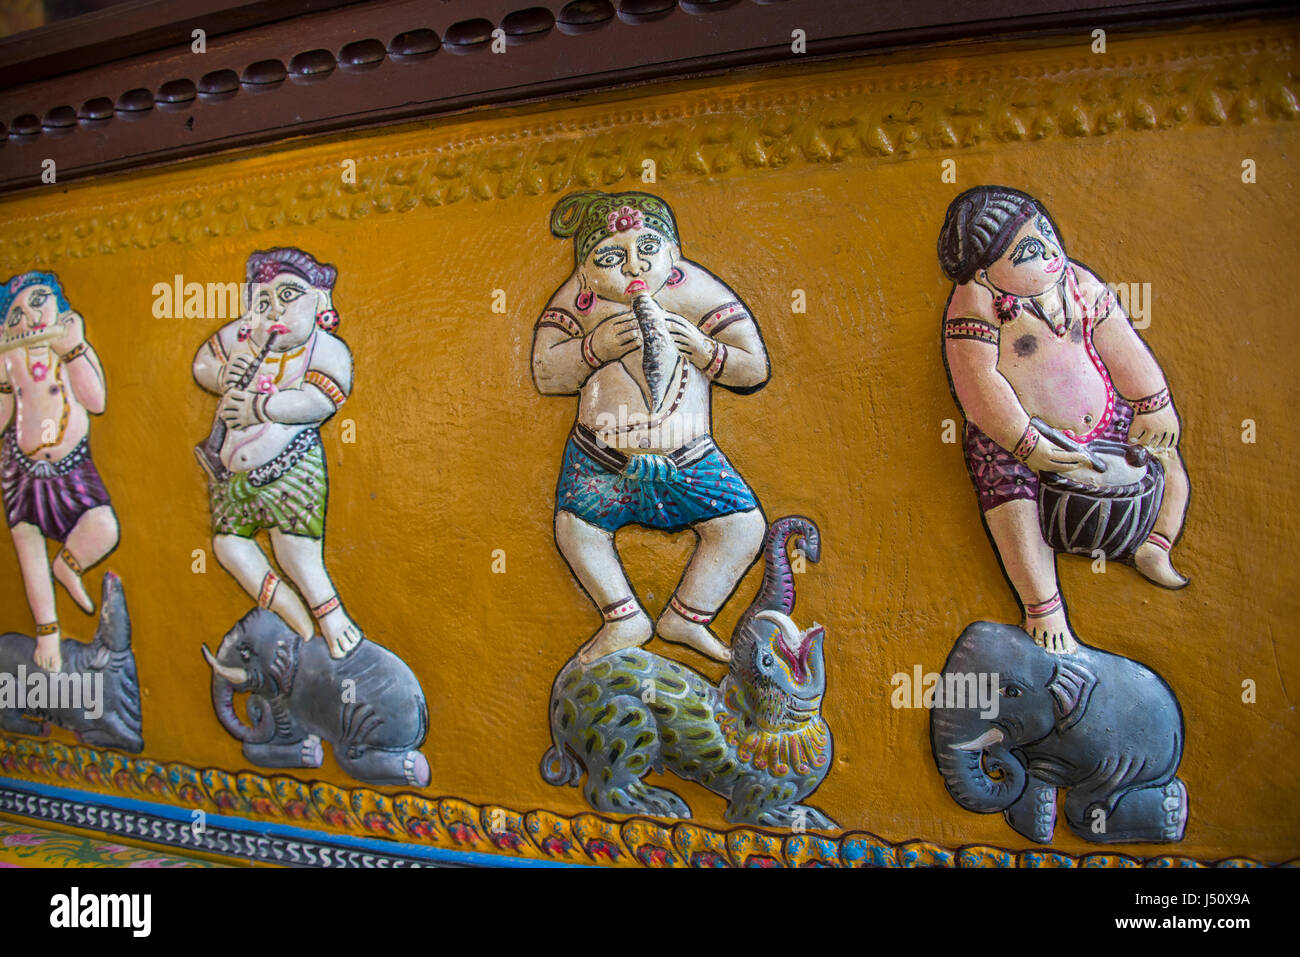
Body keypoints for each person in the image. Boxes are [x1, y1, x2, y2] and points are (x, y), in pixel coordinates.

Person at [939, 186, 1189, 654]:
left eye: (1047, 236)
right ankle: (1043, 606)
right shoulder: (973, 308)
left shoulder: (1078, 283)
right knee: (1010, 505)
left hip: (1106, 420)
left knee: (1166, 459)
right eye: (1029, 250)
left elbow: (1121, 343)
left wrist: (1153, 401)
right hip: (1015, 442)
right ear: (983, 272)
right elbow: (979, 389)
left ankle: (1157, 541)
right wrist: (1026, 443)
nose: (1050, 252)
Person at [532, 191, 770, 664]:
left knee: (743, 527)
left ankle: (688, 615)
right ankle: (622, 616)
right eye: (611, 257)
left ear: (673, 254)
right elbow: (544, 372)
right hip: (602, 460)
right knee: (575, 529)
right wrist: (591, 349)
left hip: (688, 460)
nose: (633, 268)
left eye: (647, 249)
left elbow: (754, 368)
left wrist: (705, 349)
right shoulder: (578, 303)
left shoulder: (698, 292)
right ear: (584, 270)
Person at [191, 247, 362, 658]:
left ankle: (331, 616)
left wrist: (258, 407)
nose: (274, 311)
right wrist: (222, 373)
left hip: (290, 469)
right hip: (232, 474)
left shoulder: (325, 348)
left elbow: (321, 401)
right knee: (227, 546)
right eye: (263, 301)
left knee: (296, 553)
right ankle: (289, 610)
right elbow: (202, 364)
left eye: (289, 296)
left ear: (320, 301)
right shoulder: (247, 336)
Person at [0, 271, 119, 672]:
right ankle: (47, 631)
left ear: (58, 305)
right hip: (22, 468)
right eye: (15, 315)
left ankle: (68, 564)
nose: (29, 319)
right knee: (27, 545)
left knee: (104, 527)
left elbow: (96, 401)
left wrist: (75, 350)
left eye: (38, 302)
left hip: (71, 465)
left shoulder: (68, 345)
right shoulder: (10, 358)